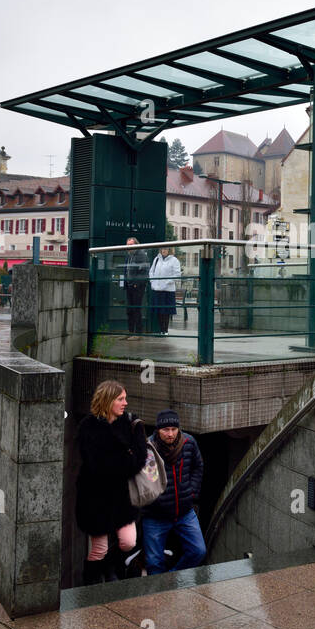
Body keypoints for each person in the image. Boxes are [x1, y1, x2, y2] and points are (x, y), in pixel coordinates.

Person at [75, 381, 149, 584]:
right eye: (120, 399)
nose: (125, 403)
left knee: (128, 541)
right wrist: (124, 461)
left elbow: (139, 460)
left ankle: (112, 566)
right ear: (108, 400)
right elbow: (96, 465)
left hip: (122, 498)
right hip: (95, 499)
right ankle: (90, 587)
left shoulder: (131, 424)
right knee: (99, 549)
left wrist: (122, 462)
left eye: (125, 398)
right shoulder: (88, 427)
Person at [141, 409, 206, 575]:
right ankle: (160, 595)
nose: (170, 434)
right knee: (154, 562)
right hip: (155, 516)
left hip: (184, 512)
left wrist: (191, 493)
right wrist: (156, 501)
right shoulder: (148, 448)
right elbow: (144, 481)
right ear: (157, 430)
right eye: (165, 430)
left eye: (174, 429)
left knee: (198, 551)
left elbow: (198, 466)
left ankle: (172, 580)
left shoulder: (189, 443)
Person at [118, 236, 149, 339]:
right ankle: (130, 332)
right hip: (129, 286)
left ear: (136, 245)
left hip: (137, 287)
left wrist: (136, 283)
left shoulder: (141, 255)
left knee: (136, 309)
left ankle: (138, 333)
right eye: (128, 245)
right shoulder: (129, 255)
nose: (129, 247)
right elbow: (126, 270)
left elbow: (144, 271)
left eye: (131, 245)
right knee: (129, 310)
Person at [148, 247, 182, 335]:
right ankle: (160, 330)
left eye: (166, 249)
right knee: (158, 311)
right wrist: (152, 282)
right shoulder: (156, 259)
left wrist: (167, 282)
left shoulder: (174, 260)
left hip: (168, 290)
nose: (164, 251)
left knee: (166, 312)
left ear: (169, 250)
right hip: (157, 289)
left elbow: (177, 274)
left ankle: (165, 330)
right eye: (162, 249)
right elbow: (151, 272)